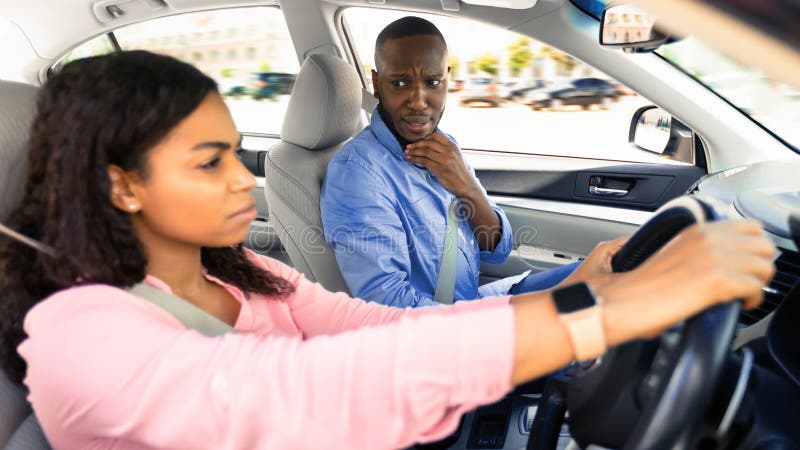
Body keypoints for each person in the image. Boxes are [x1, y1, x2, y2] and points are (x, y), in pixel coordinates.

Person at [0, 50, 775, 450]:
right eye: (210, 163)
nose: (246, 181)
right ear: (123, 186)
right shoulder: (75, 334)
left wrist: (574, 297)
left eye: (239, 152)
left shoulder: (244, 271)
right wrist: (600, 315)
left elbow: (381, 330)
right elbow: (296, 390)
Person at [321, 17, 591, 308]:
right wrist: (488, 325)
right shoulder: (358, 173)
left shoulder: (444, 147)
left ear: (447, 79)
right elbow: (389, 304)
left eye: (433, 82)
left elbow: (496, 251)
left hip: (471, 305)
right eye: (400, 83)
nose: (419, 101)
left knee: (607, 268)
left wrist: (467, 186)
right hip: (443, 333)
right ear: (376, 84)